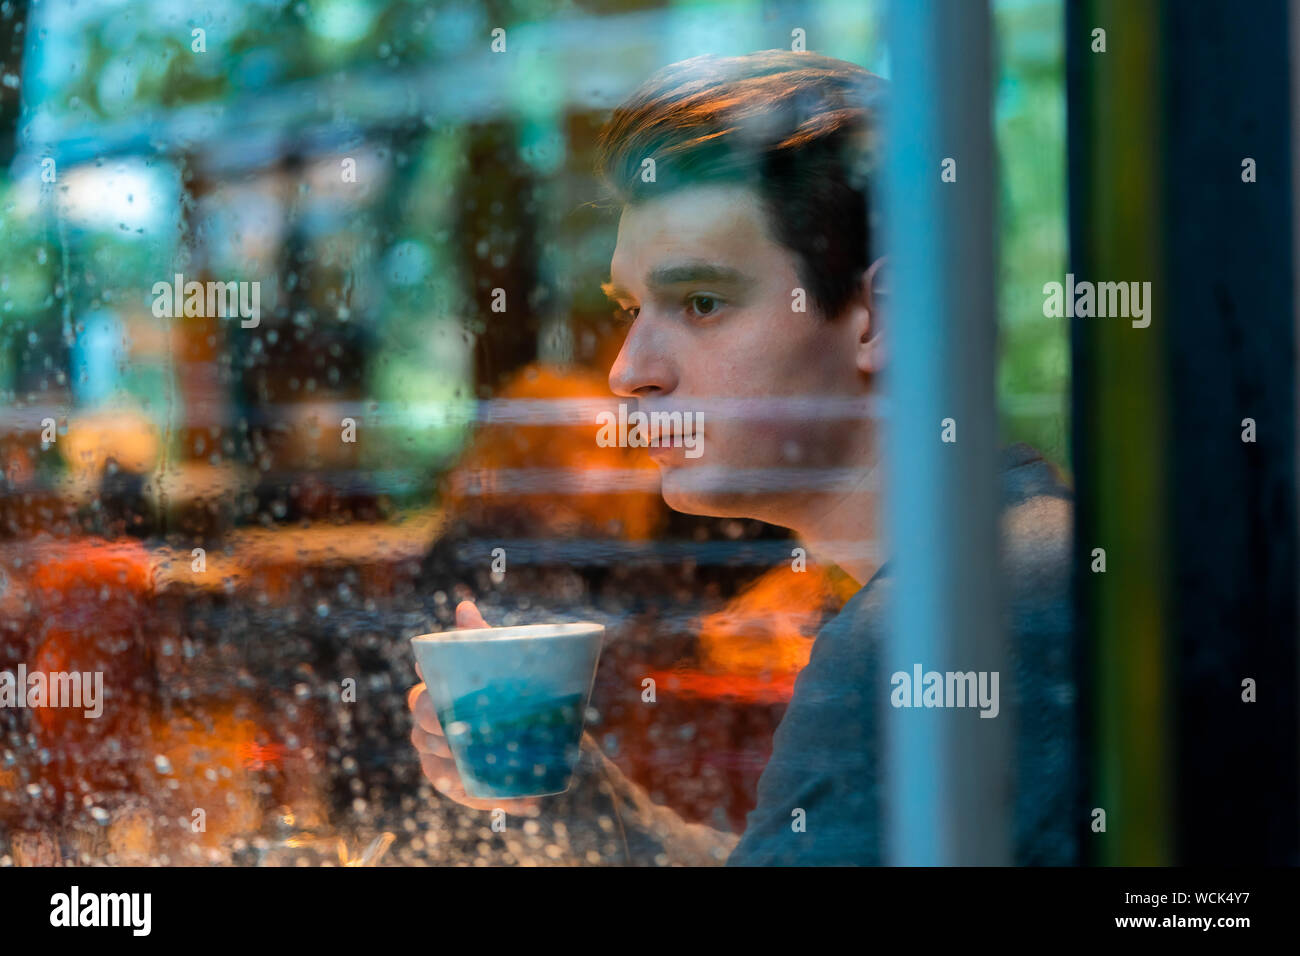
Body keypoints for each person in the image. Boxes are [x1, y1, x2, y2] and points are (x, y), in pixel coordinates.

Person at [408, 50, 1076, 865]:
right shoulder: (1006, 559)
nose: (627, 371)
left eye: (701, 302)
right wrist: (572, 796)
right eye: (630, 307)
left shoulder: (933, 620)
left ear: (877, 318)